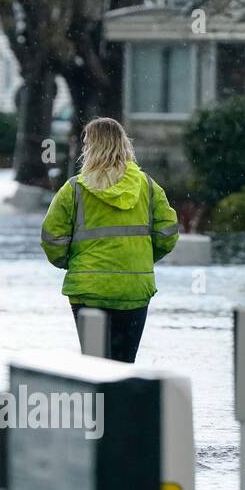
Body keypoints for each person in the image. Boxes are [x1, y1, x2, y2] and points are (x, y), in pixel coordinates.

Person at [39, 117, 179, 363]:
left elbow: (52, 237)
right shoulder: (148, 187)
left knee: (95, 367)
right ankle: (122, 402)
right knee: (124, 365)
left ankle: (100, 403)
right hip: (134, 289)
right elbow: (168, 232)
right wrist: (141, 258)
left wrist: (73, 264)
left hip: (88, 289)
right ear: (124, 145)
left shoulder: (75, 189)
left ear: (90, 148)